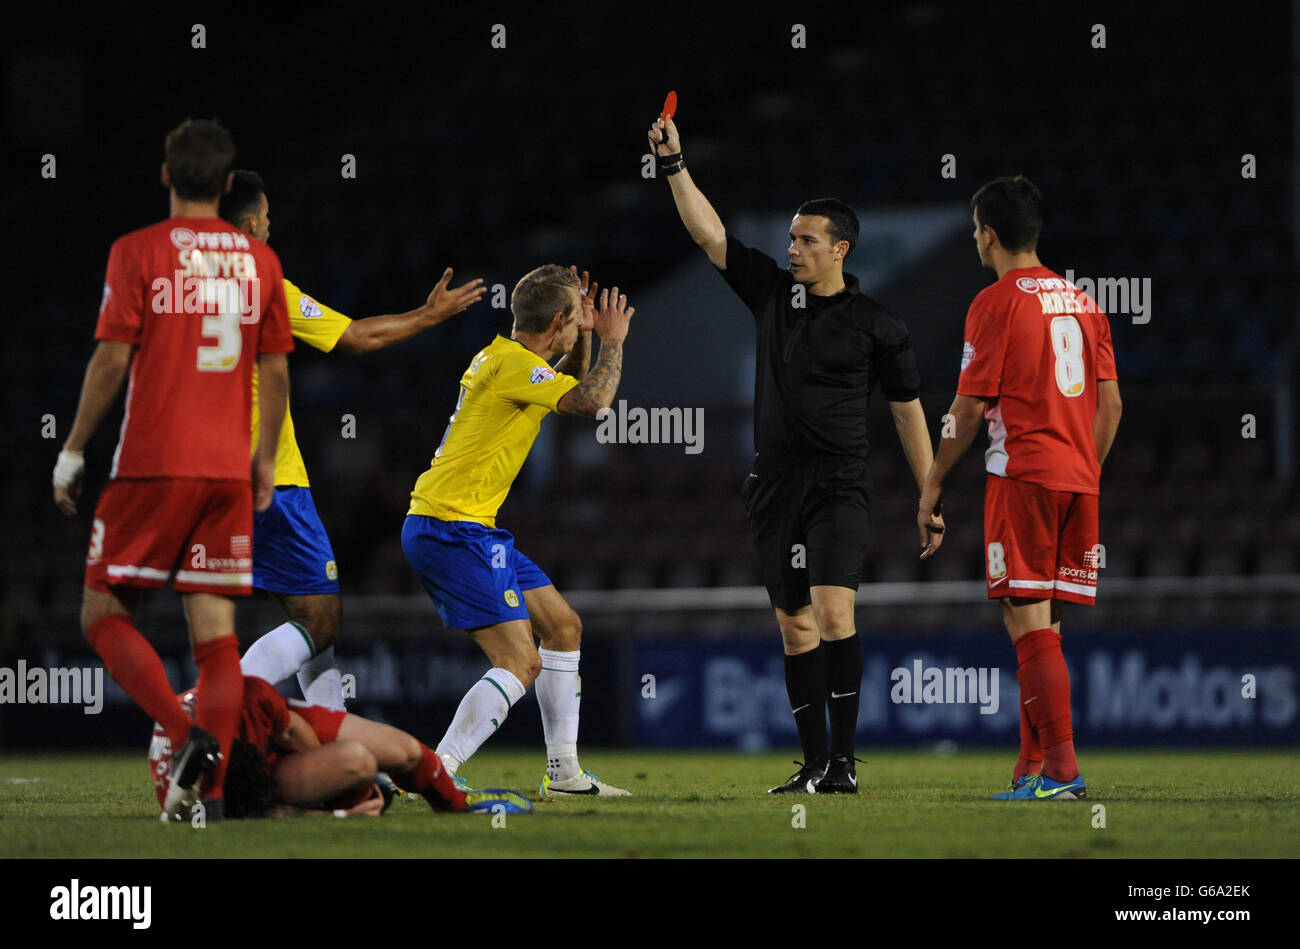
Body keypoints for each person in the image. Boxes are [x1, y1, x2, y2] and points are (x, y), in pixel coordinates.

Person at [648, 113, 942, 794]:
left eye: (807, 240)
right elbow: (707, 232)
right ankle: (813, 766)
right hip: (774, 483)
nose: (793, 249)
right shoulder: (772, 295)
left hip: (840, 482)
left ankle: (843, 764)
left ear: (842, 249)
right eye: (790, 238)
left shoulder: (880, 326)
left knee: (835, 609)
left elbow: (908, 413)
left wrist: (930, 492)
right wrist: (674, 163)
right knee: (793, 624)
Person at [52, 119, 294, 821]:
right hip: (226, 472)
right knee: (216, 639)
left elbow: (111, 359)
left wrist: (72, 449)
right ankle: (209, 800)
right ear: (226, 186)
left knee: (101, 611)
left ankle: (188, 736)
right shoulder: (261, 263)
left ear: (165, 175)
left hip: (153, 466)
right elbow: (274, 372)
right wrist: (265, 462)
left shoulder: (138, 252)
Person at [218, 170, 486, 712]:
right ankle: (209, 710)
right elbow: (356, 336)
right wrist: (429, 315)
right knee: (322, 618)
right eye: (267, 219)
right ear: (249, 226)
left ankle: (333, 745)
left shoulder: (176, 287)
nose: (271, 229)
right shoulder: (262, 282)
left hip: (204, 476)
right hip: (271, 478)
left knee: (306, 618)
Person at [917, 175, 1122, 800]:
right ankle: (1032, 767)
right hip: (1077, 481)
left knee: (1028, 624)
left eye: (976, 228)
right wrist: (1085, 466)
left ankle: (1062, 772)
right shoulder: (1085, 303)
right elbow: (1110, 406)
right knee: (1044, 629)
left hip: (1023, 477)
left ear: (990, 233)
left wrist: (932, 483)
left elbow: (969, 408)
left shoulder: (995, 301)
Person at [402, 264, 634, 797]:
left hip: (471, 528)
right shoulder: (510, 365)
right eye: (576, 319)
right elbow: (594, 400)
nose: (584, 325)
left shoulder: (506, 359)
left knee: (563, 627)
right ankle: (435, 772)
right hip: (450, 529)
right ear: (557, 320)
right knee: (519, 660)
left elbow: (567, 385)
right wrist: (613, 343)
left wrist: (586, 334)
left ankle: (564, 772)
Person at [147, 675, 531, 818]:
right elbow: (197, 814)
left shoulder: (251, 694)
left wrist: (346, 791)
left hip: (272, 739)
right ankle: (339, 796)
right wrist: (341, 812)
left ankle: (456, 806)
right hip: (253, 779)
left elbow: (298, 735)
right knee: (359, 762)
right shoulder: (179, 775)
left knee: (408, 751)